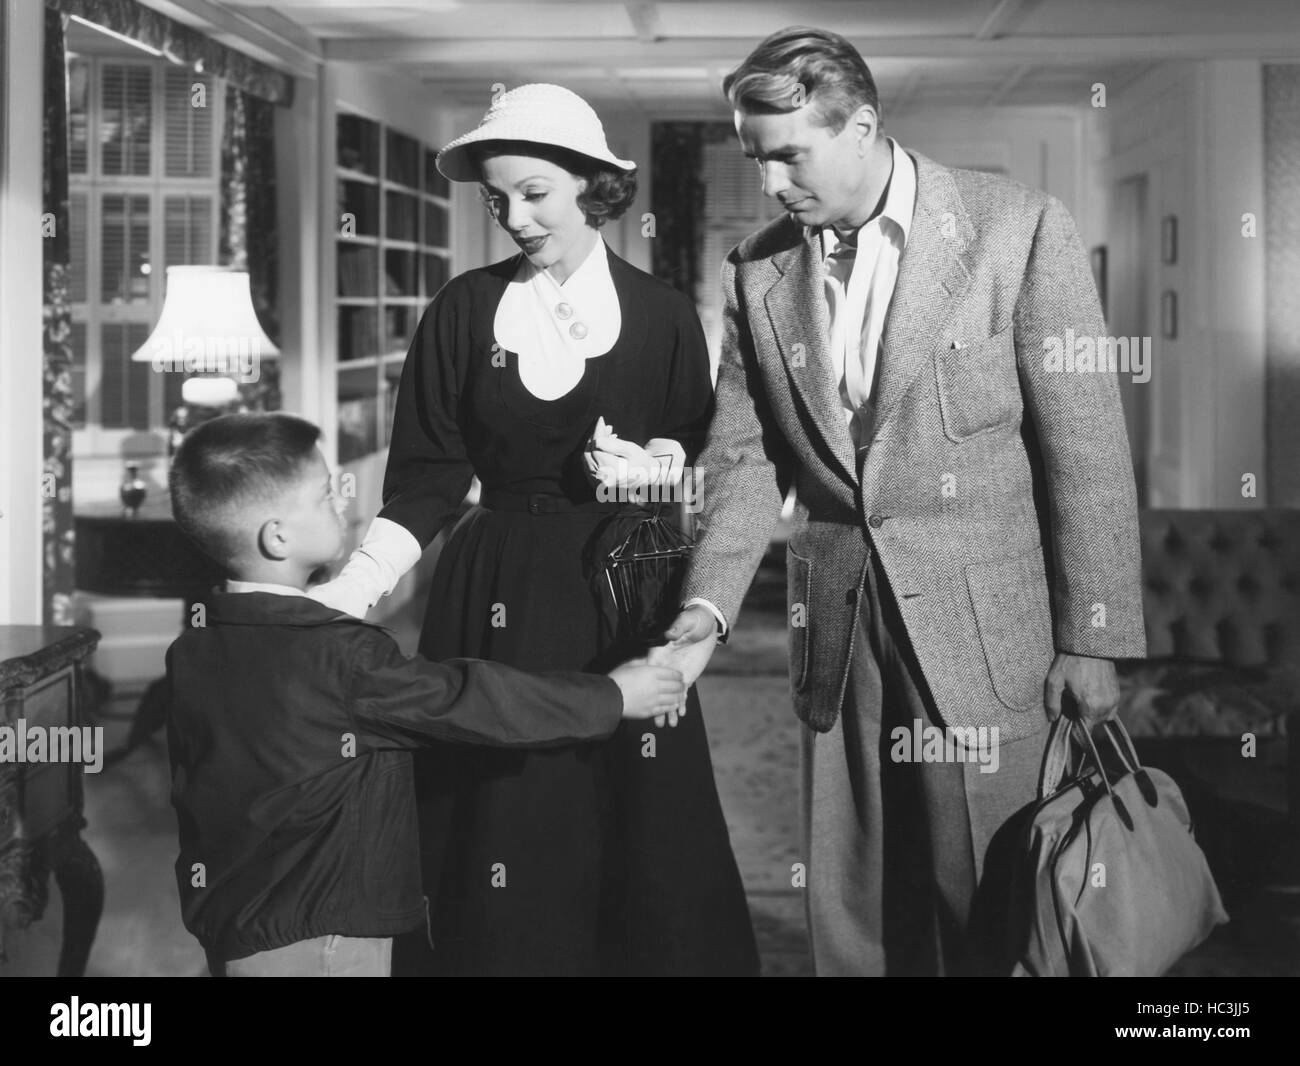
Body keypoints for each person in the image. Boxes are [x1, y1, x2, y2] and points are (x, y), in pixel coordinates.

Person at [653, 26, 1147, 976]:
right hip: (837, 622)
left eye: (789, 154)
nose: (771, 181)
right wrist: (706, 610)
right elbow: (747, 454)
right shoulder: (757, 269)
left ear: (863, 124)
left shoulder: (1017, 228)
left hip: (986, 633)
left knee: (993, 903)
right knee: (856, 903)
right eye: (757, 159)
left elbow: (1084, 449)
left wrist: (1093, 638)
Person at [309, 85, 758, 976]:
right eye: (496, 199)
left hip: (625, 589)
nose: (513, 216)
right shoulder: (461, 311)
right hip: (496, 588)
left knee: (636, 811)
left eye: (536, 193)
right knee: (502, 810)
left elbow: (702, 446)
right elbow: (428, 481)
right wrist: (346, 596)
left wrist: (657, 465)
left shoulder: (666, 312)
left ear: (591, 185)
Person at [165, 412, 686, 977]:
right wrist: (611, 696)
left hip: (235, 930)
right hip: (326, 938)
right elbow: (472, 700)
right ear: (277, 536)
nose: (341, 499)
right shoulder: (341, 659)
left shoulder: (193, 648)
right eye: (323, 495)